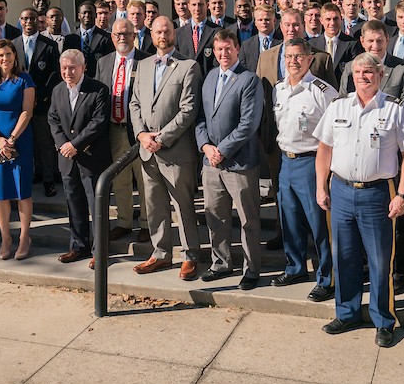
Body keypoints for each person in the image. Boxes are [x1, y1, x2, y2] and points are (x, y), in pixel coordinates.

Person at [316, 52, 404, 345]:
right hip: (340, 190)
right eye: (359, 72)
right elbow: (324, 148)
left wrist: (402, 194)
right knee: (344, 257)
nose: (364, 77)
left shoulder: (395, 110)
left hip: (377, 194)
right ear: (352, 76)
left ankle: (384, 321)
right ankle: (347, 313)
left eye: (370, 73)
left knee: (379, 261)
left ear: (381, 75)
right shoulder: (338, 106)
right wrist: (320, 186)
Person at [129, 16, 202, 281]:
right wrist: (140, 134)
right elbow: (134, 102)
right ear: (151, 33)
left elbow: (188, 109)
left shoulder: (188, 66)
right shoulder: (144, 64)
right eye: (158, 31)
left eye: (167, 30)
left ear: (174, 33)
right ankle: (160, 253)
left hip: (175, 150)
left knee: (182, 205)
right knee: (154, 204)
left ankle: (190, 255)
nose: (163, 34)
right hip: (147, 150)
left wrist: (162, 137)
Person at [195, 30, 264, 290]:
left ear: (237, 49)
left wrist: (221, 150)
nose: (223, 54)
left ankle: (251, 268)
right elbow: (200, 117)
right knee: (215, 216)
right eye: (219, 49)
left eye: (228, 48)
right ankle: (221, 262)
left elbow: (248, 124)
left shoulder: (249, 80)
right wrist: (205, 146)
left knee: (248, 219)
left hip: (239, 163)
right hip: (210, 164)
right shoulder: (210, 77)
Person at [270, 38, 337, 301]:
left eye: (299, 56)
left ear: (310, 59)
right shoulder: (280, 89)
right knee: (290, 221)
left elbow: (334, 133)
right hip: (286, 161)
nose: (293, 62)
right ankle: (295, 267)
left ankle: (327, 277)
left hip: (312, 163)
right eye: (289, 57)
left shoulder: (322, 91)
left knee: (319, 225)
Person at [48, 49, 112, 263]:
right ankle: (79, 246)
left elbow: (98, 123)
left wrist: (75, 145)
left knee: (96, 206)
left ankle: (100, 252)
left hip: (91, 159)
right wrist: (62, 145)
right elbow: (53, 119)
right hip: (67, 160)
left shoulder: (99, 90)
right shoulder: (57, 90)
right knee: (74, 203)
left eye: (72, 67)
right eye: (64, 68)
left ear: (83, 68)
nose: (68, 72)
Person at [0, 39, 36, 260]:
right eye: (0, 55)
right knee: (1, 193)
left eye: (9, 54)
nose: (5, 58)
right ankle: (6, 238)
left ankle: (24, 237)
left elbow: (27, 112)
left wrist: (11, 139)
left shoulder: (25, 79)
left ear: (15, 56)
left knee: (22, 190)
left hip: (19, 140)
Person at [96, 19, 150, 243]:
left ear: (134, 36)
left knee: (145, 179)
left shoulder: (146, 60)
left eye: (127, 34)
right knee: (119, 180)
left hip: (139, 132)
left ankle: (147, 223)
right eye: (118, 34)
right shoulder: (104, 62)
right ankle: (124, 222)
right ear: (111, 37)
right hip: (113, 130)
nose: (122, 38)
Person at [17, 7, 62, 197]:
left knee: (44, 142)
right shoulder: (13, 45)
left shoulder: (49, 45)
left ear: (38, 21)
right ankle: (31, 174)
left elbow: (54, 74)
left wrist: (37, 96)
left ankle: (48, 179)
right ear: (20, 20)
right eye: (25, 19)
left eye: (33, 19)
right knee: (23, 142)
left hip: (42, 103)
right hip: (18, 105)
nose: (29, 22)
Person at [64, 1, 113, 76]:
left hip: (97, 79)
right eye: (84, 13)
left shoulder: (106, 38)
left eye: (90, 13)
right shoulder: (70, 39)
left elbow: (109, 63)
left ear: (95, 15)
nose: (87, 15)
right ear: (79, 16)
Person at [176, 0, 218, 75]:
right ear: (188, 6)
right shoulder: (178, 33)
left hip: (208, 80)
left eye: (201, 4)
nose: (197, 8)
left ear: (207, 5)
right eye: (194, 5)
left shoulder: (217, 31)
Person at [310, 3, 355, 82]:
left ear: (341, 18)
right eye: (328, 19)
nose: (332, 23)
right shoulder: (312, 45)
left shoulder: (352, 44)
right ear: (321, 20)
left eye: (335, 18)